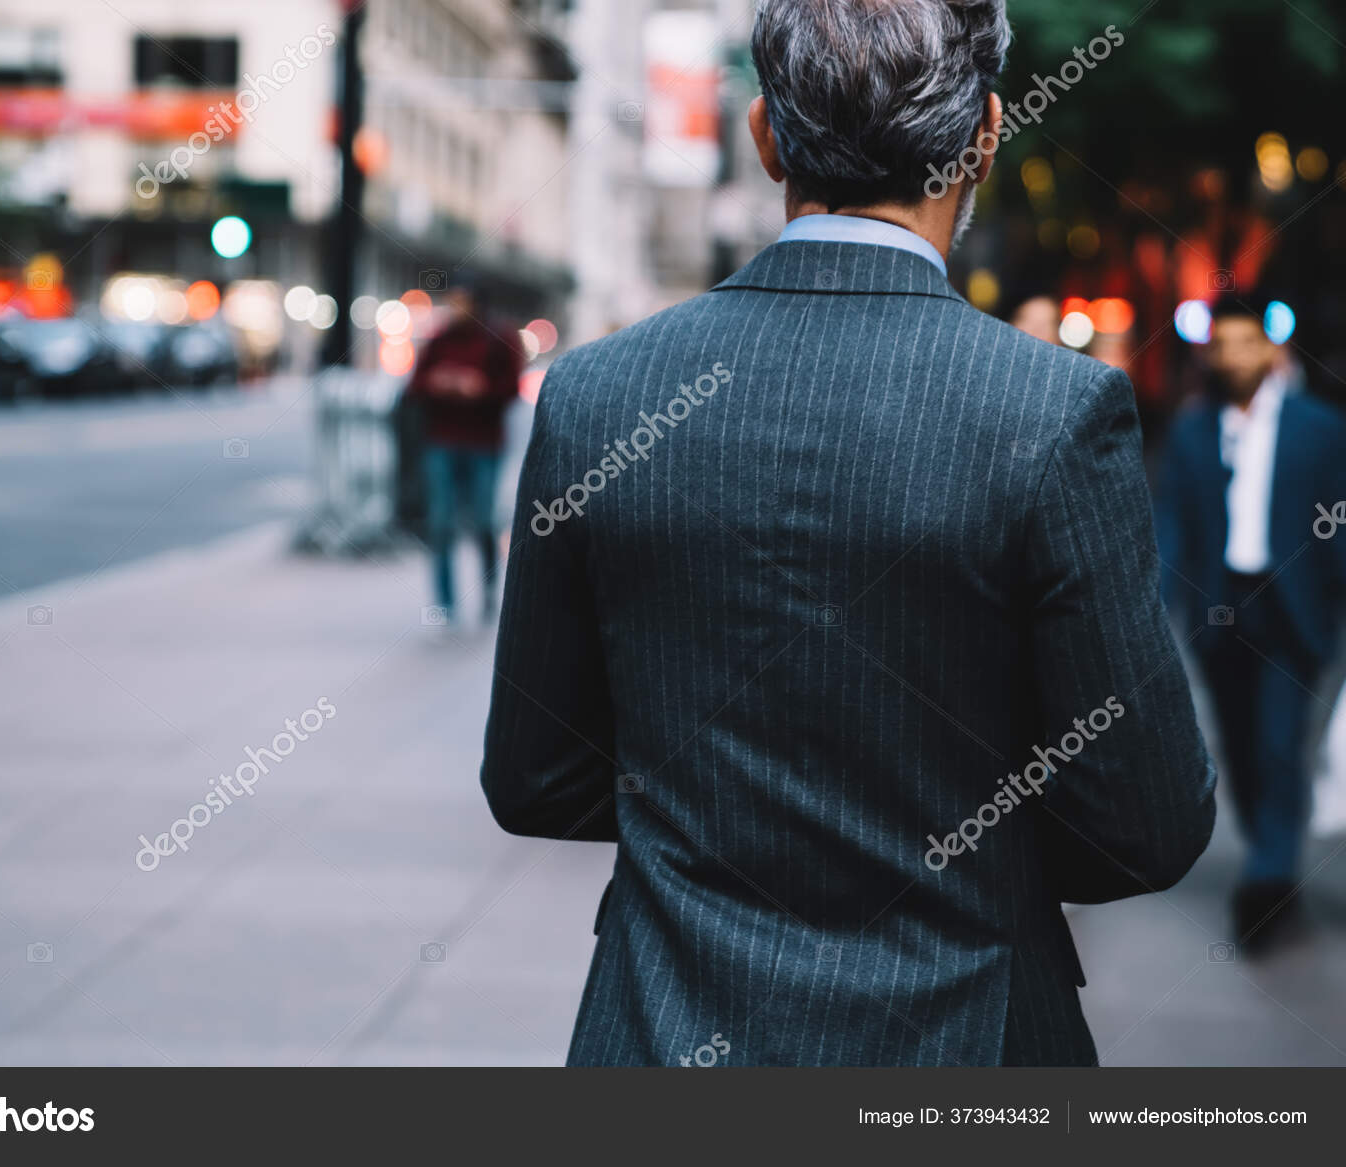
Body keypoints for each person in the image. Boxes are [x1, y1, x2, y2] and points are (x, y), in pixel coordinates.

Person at [481, 0, 1214, 1067]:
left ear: (765, 135)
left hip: (658, 1027)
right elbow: (1144, 822)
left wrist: (714, 818)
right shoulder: (1050, 413)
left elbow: (536, 779)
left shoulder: (598, 395)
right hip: (963, 1032)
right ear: (987, 133)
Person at [1155, 297, 1346, 952]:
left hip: (1289, 613)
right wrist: (1157, 608)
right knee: (1236, 744)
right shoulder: (1191, 430)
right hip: (1219, 610)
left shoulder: (1318, 427)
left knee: (1278, 743)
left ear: (1270, 349)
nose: (1232, 355)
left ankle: (1268, 879)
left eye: (1245, 342)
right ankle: (1268, 846)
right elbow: (1172, 528)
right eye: (1222, 343)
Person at [404, 280, 522, 623]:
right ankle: (445, 603)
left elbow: (512, 388)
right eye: (452, 302)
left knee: (484, 520)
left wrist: (478, 388)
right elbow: (414, 386)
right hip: (442, 441)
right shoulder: (439, 341)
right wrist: (439, 382)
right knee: (441, 522)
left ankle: (487, 592)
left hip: (484, 444)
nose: (457, 309)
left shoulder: (500, 338)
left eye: (463, 302)